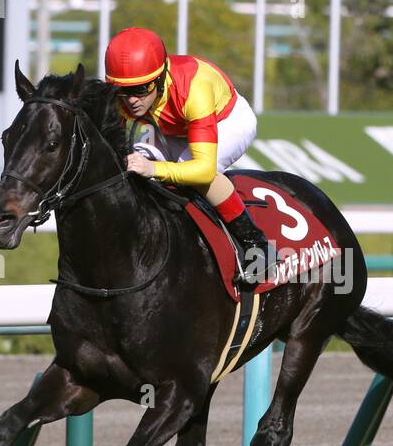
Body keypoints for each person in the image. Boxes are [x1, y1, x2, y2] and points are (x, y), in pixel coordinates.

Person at [104, 27, 270, 283]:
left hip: (226, 121)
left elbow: (202, 169)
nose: (132, 101)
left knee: (186, 173)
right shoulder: (127, 96)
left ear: (159, 79)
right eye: (123, 91)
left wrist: (154, 169)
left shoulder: (195, 89)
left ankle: (257, 246)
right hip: (170, 125)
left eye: (141, 89)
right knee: (135, 167)